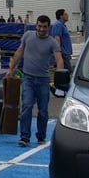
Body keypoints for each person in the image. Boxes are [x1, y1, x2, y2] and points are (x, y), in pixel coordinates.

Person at [6, 14, 64, 146]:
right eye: (39, 26)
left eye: (44, 27)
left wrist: (60, 80)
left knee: (43, 111)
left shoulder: (52, 42)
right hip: (28, 78)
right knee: (26, 106)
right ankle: (24, 137)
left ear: (49, 27)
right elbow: (19, 52)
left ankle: (41, 136)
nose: (41, 29)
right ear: (36, 25)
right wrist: (11, 70)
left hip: (43, 80)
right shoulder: (27, 36)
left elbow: (59, 60)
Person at [50, 8, 73, 97]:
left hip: (66, 52)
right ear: (61, 16)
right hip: (62, 52)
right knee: (68, 71)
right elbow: (57, 38)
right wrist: (58, 52)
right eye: (65, 14)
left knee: (66, 72)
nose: (67, 15)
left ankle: (61, 89)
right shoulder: (58, 25)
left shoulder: (63, 25)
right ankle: (58, 87)